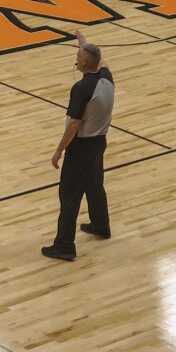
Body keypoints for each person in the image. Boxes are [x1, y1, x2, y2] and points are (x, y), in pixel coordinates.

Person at [43, 30, 112, 261]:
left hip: (81, 147)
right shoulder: (107, 77)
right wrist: (85, 44)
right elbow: (101, 61)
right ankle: (101, 225)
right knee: (94, 186)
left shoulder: (81, 88)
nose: (76, 59)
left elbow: (73, 125)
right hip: (99, 142)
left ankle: (64, 245)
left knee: (69, 196)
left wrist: (59, 150)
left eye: (79, 56)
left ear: (83, 62)